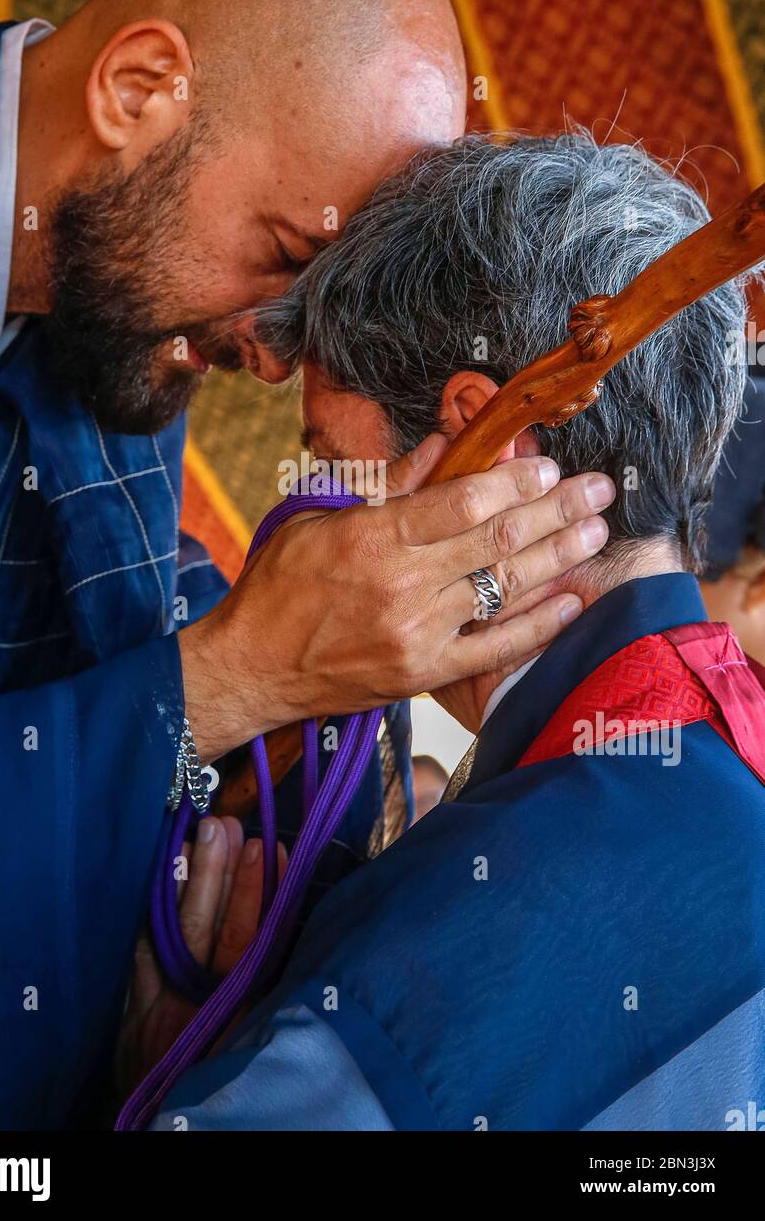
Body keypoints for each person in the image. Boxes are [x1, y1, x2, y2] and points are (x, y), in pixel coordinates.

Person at [0, 0, 613, 1129]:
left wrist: (283, 761)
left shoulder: (112, 306)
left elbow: (108, 601)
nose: (277, 360)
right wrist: (236, 675)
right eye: (286, 257)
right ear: (136, 91)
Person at [141, 132, 765, 1130]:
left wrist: (176, 1049)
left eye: (334, 466)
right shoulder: (719, 763)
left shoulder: (478, 910)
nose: (319, 525)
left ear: (486, 450)